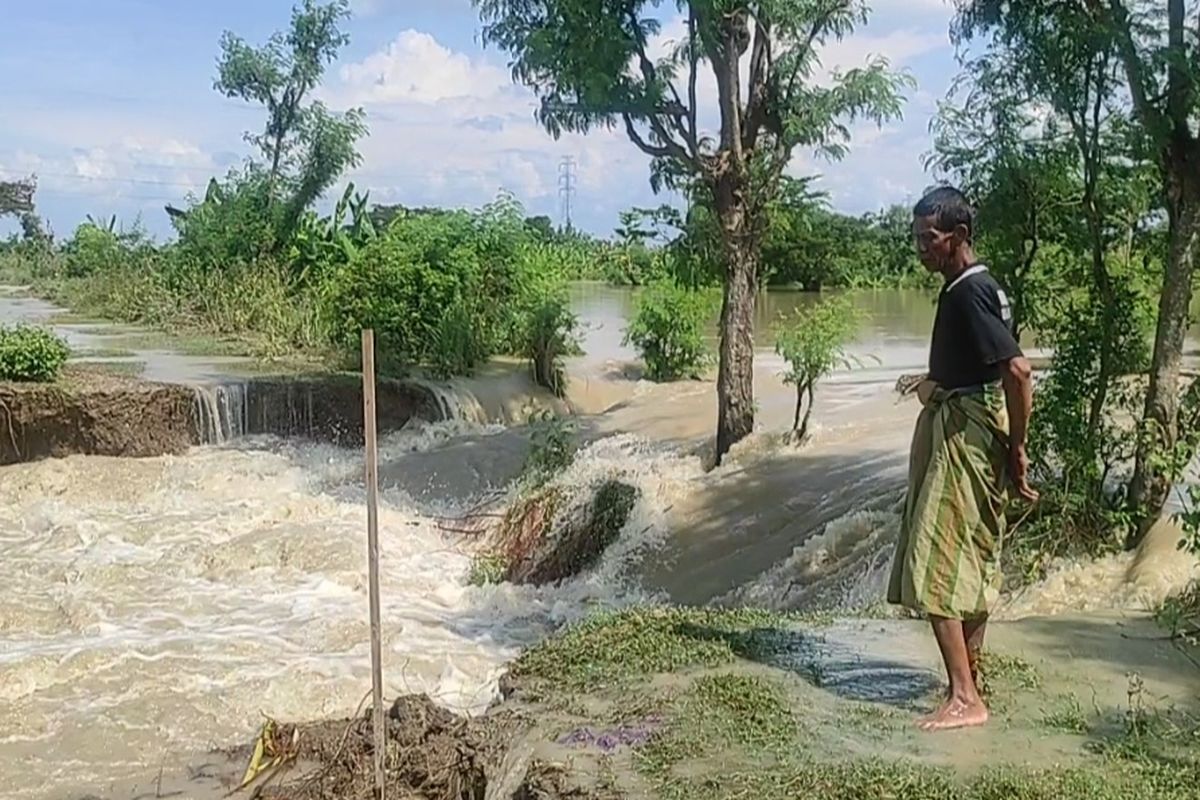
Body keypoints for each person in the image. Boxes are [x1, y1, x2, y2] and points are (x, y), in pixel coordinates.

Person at [887, 186, 1037, 732]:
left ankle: (965, 698)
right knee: (969, 557)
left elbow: (1018, 372)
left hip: (965, 437)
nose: (921, 248)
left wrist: (1018, 447)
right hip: (974, 425)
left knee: (934, 564)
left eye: (929, 238)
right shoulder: (979, 287)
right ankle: (970, 675)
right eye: (917, 238)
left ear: (959, 237)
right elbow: (983, 368)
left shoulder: (967, 294)